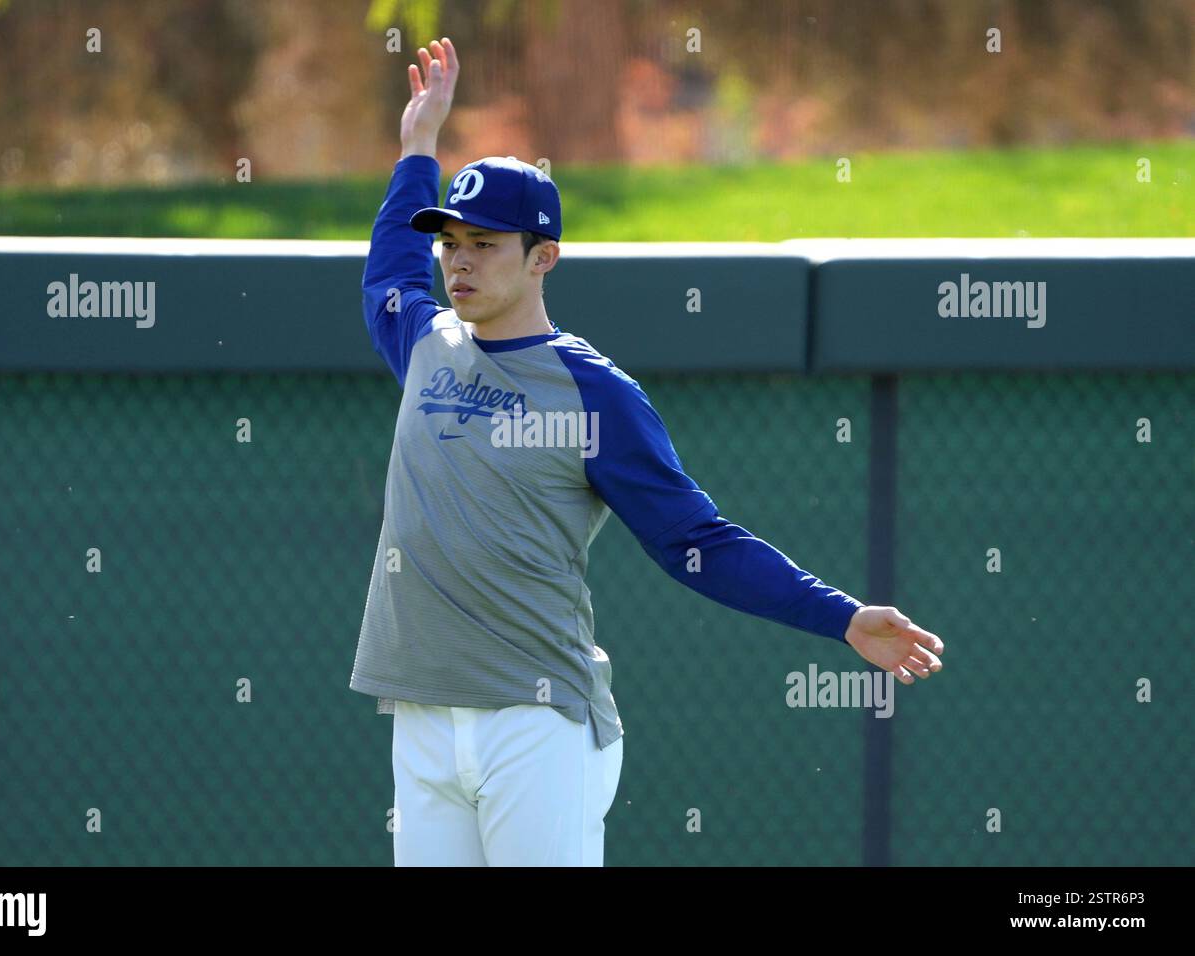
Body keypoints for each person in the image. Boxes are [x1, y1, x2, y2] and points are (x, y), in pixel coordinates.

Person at [349, 37, 944, 867]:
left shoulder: (593, 393)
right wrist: (418, 148)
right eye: (450, 241)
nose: (459, 260)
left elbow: (696, 543)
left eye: (485, 243)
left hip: (537, 720)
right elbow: (388, 270)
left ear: (542, 256)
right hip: (419, 714)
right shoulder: (424, 342)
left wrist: (840, 616)